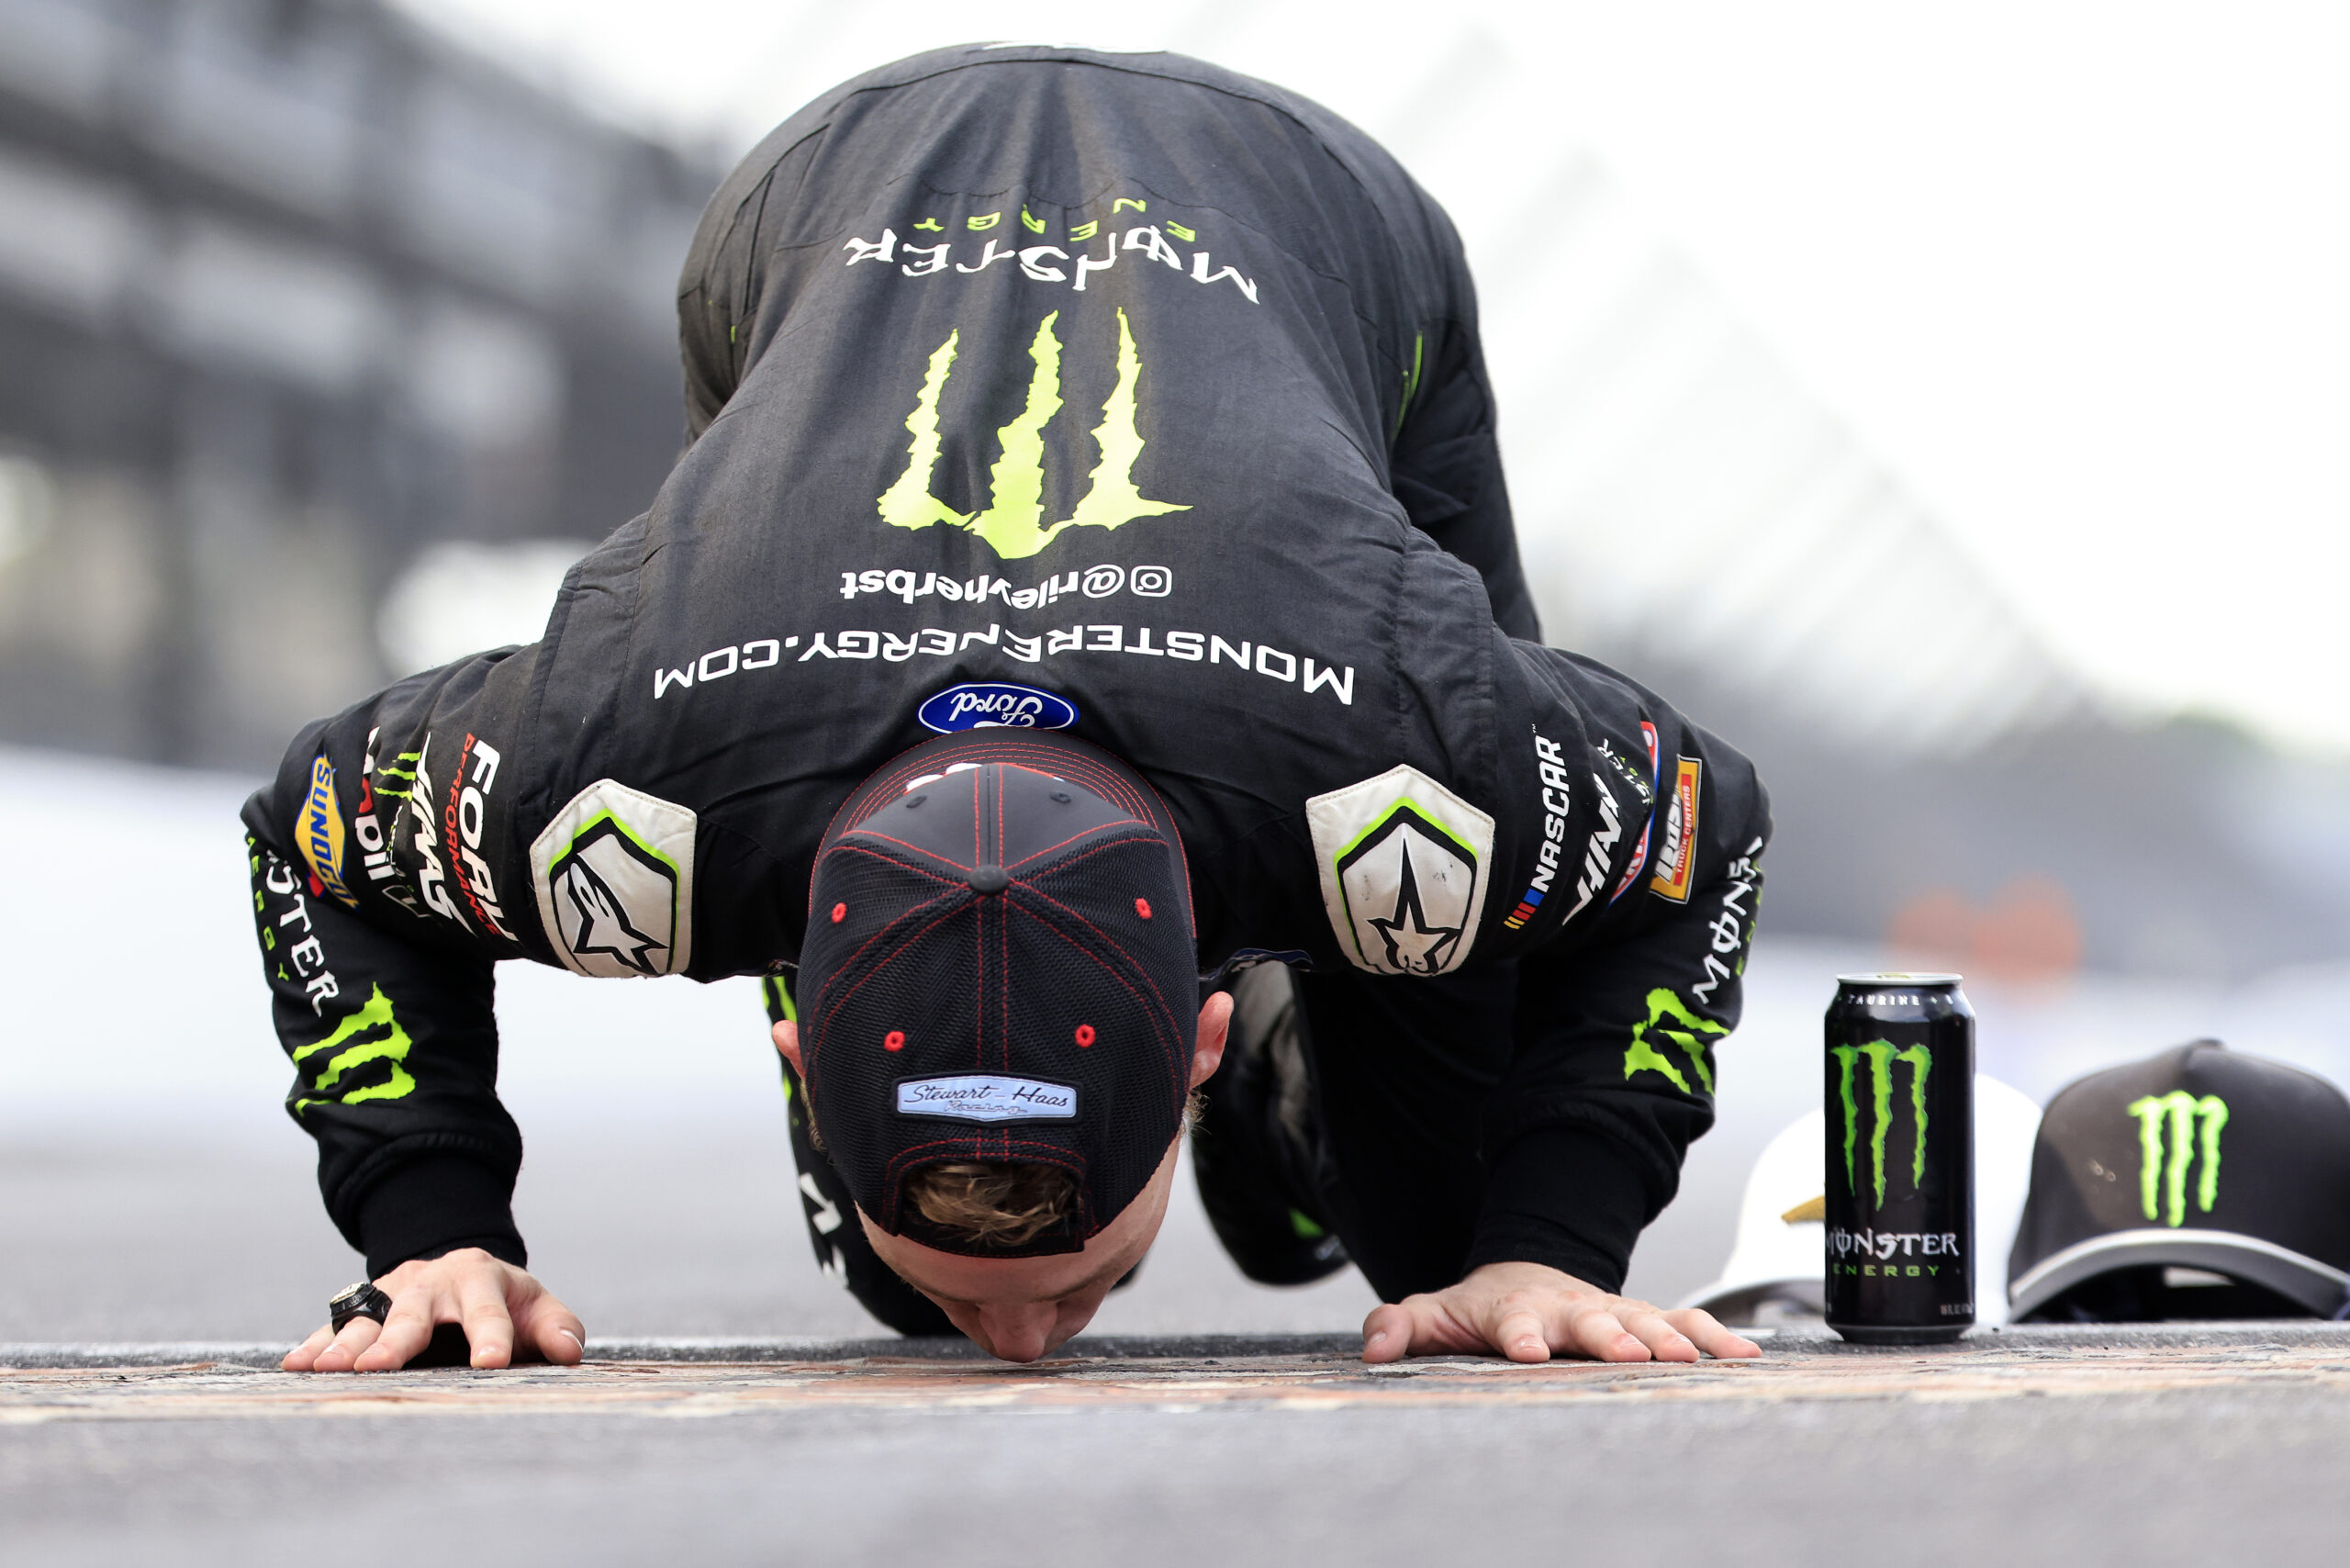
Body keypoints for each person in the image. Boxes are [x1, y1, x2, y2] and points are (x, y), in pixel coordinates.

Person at [248, 45, 1771, 1372]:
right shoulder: (644, 771)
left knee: (1454, 1246)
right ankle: (1102, 987)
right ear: (800, 1045)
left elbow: (1699, 829)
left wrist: (1556, 1243)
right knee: (898, 1300)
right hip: (820, 211)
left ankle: (1295, 1044)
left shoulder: (1409, 737)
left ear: (1194, 1045)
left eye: (1070, 1277)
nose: (1029, 1345)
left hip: (1307, 220)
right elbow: (314, 836)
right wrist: (430, 1233)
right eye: (1018, 1287)